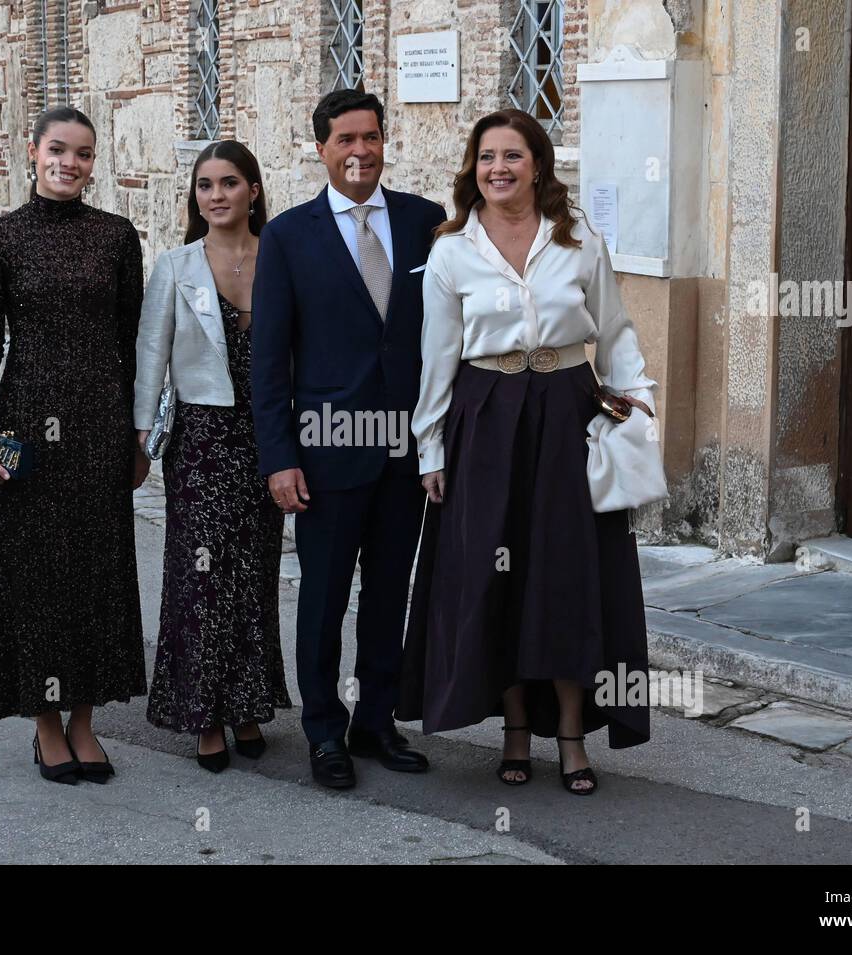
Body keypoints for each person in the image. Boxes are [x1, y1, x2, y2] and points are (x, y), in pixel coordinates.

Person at [398, 109, 658, 796]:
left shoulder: (577, 242)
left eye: (513, 155)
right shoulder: (451, 249)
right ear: (472, 168)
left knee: (568, 577)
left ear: (538, 165)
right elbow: (436, 359)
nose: (499, 168)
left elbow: (617, 329)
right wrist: (430, 447)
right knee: (496, 577)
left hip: (568, 412)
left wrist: (641, 404)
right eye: (487, 157)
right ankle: (515, 730)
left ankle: (571, 734)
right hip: (485, 419)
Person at [250, 89, 445, 789]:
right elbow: (269, 360)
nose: (360, 151)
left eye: (370, 137)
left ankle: (377, 720)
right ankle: (325, 731)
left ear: (384, 141)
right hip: (326, 452)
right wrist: (279, 457)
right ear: (322, 149)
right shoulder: (289, 236)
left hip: (406, 450)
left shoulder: (427, 223)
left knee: (390, 593)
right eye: (345, 140)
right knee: (325, 599)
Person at [0, 105, 146, 786]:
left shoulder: (116, 236)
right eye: (59, 150)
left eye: (84, 153)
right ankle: (44, 723)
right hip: (20, 425)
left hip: (100, 422)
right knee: (32, 568)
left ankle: (85, 722)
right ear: (33, 151)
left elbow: (130, 343)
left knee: (98, 571)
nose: (70, 163)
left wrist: (136, 431)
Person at [135, 140, 290, 773]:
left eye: (229, 182)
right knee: (200, 577)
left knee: (255, 576)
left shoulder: (282, 259)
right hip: (202, 441)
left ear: (253, 189)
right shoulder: (175, 265)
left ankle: (248, 704)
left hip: (270, 438)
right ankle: (203, 715)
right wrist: (140, 441)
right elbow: (150, 357)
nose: (217, 195)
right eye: (205, 185)